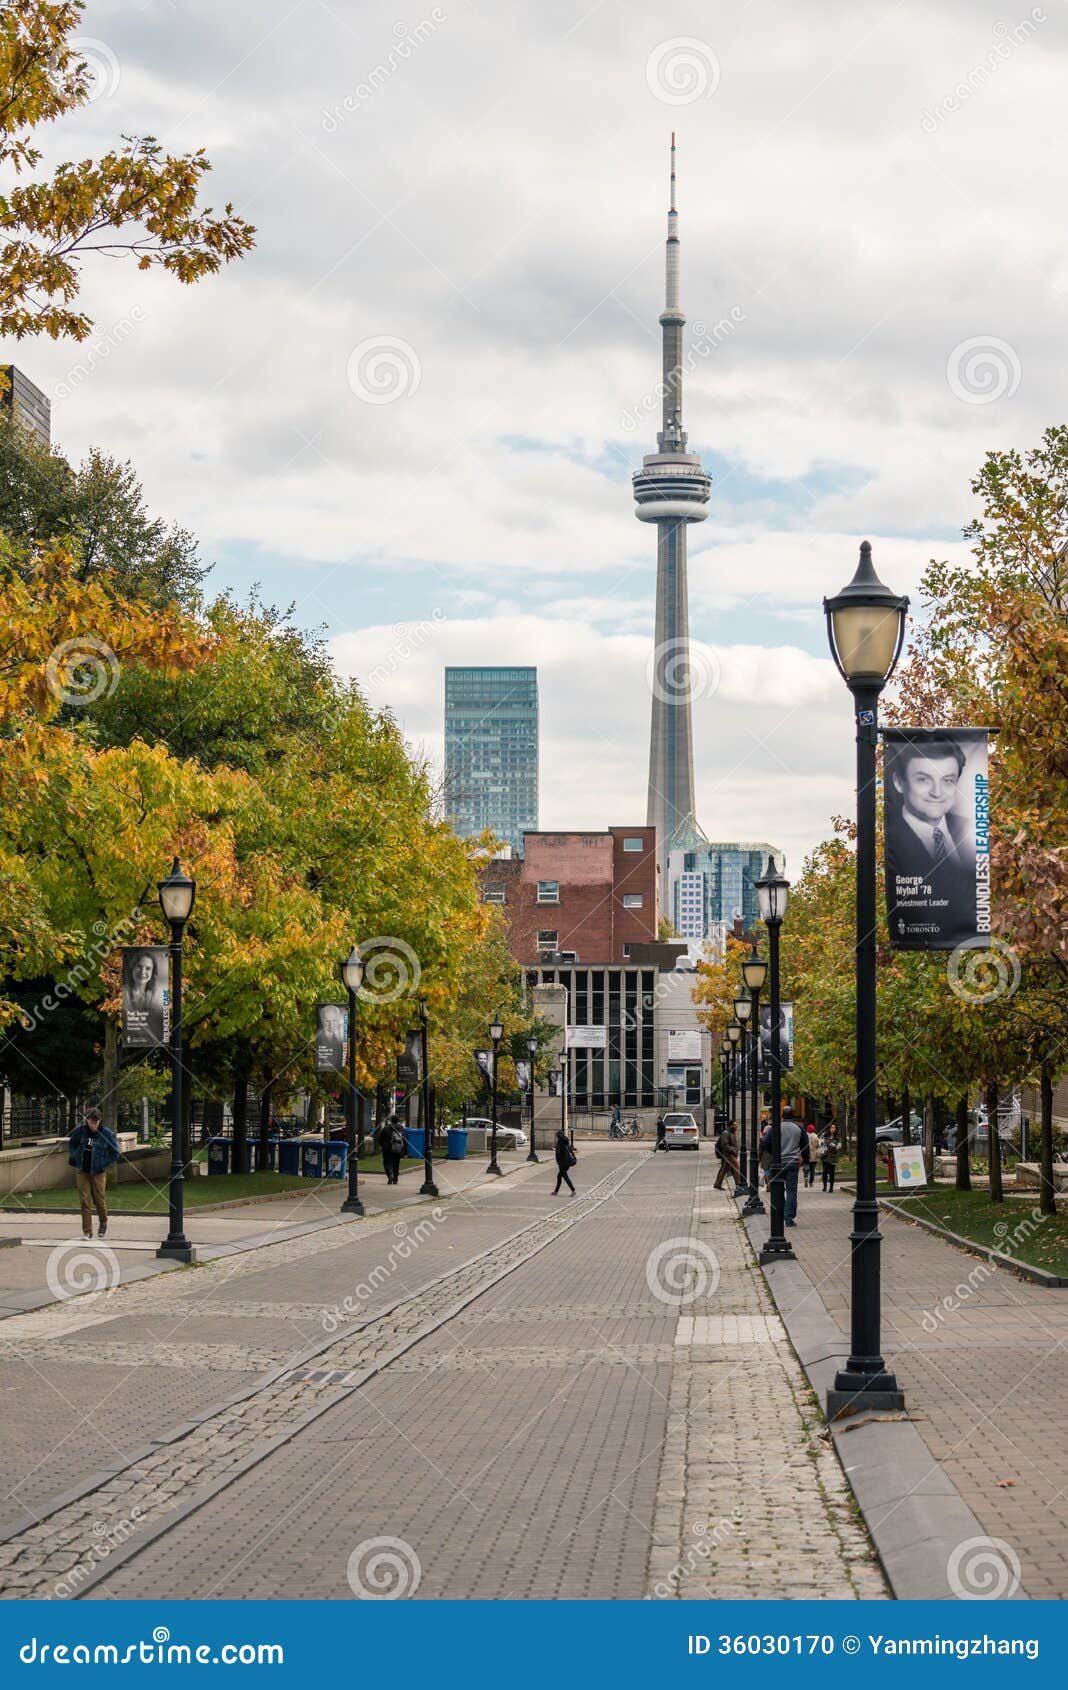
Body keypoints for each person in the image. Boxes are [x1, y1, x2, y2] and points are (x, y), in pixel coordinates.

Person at [68, 1106, 120, 1240]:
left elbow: (115, 1152)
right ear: (86, 1120)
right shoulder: (80, 1131)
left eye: (96, 1122)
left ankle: (103, 1222)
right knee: (85, 1201)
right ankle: (87, 1232)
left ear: (100, 1121)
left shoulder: (106, 1133)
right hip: (82, 1171)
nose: (93, 1125)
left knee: (99, 1200)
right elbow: (72, 1144)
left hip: (98, 1172)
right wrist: (75, 1155)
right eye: (91, 1122)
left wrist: (102, 1163)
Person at [759, 1105, 809, 1227]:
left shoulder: (776, 1128)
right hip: (793, 1163)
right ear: (793, 1115)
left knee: (778, 1190)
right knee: (792, 1191)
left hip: (778, 1163)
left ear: (782, 1115)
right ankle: (789, 1218)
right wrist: (805, 1159)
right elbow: (805, 1145)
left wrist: (774, 1153)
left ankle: (781, 1214)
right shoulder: (799, 1128)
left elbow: (765, 1143)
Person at [377, 1113, 405, 1184]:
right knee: (396, 1164)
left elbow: (380, 1139)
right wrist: (404, 1151)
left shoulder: (386, 1128)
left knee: (387, 1163)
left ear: (391, 1120)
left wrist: (383, 1145)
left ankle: (390, 1175)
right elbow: (404, 1140)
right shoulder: (401, 1129)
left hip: (388, 1150)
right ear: (398, 1121)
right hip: (398, 1150)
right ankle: (395, 1179)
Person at [713, 1119, 740, 1191]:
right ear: (731, 1125)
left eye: (736, 1125)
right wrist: (733, 1150)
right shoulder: (726, 1133)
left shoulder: (732, 1132)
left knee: (724, 1169)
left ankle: (717, 1184)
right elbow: (724, 1145)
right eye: (735, 1125)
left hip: (731, 1154)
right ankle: (738, 1184)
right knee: (736, 1168)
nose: (736, 1126)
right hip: (728, 1155)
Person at [553, 1125, 577, 1195]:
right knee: (559, 1176)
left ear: (558, 1136)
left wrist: (559, 1162)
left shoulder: (560, 1143)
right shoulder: (566, 1141)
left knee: (565, 1177)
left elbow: (559, 1154)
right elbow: (570, 1150)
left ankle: (573, 1190)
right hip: (568, 1162)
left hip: (563, 1163)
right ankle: (556, 1191)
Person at [819, 1121, 840, 1192]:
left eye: (834, 1128)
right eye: (831, 1128)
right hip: (825, 1156)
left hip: (833, 1157)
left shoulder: (837, 1137)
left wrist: (835, 1146)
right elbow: (820, 1143)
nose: (832, 1129)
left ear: (836, 1129)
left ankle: (831, 1187)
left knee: (832, 1172)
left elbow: (839, 1146)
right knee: (825, 1171)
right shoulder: (825, 1135)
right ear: (828, 1128)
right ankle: (824, 1186)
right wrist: (822, 1141)